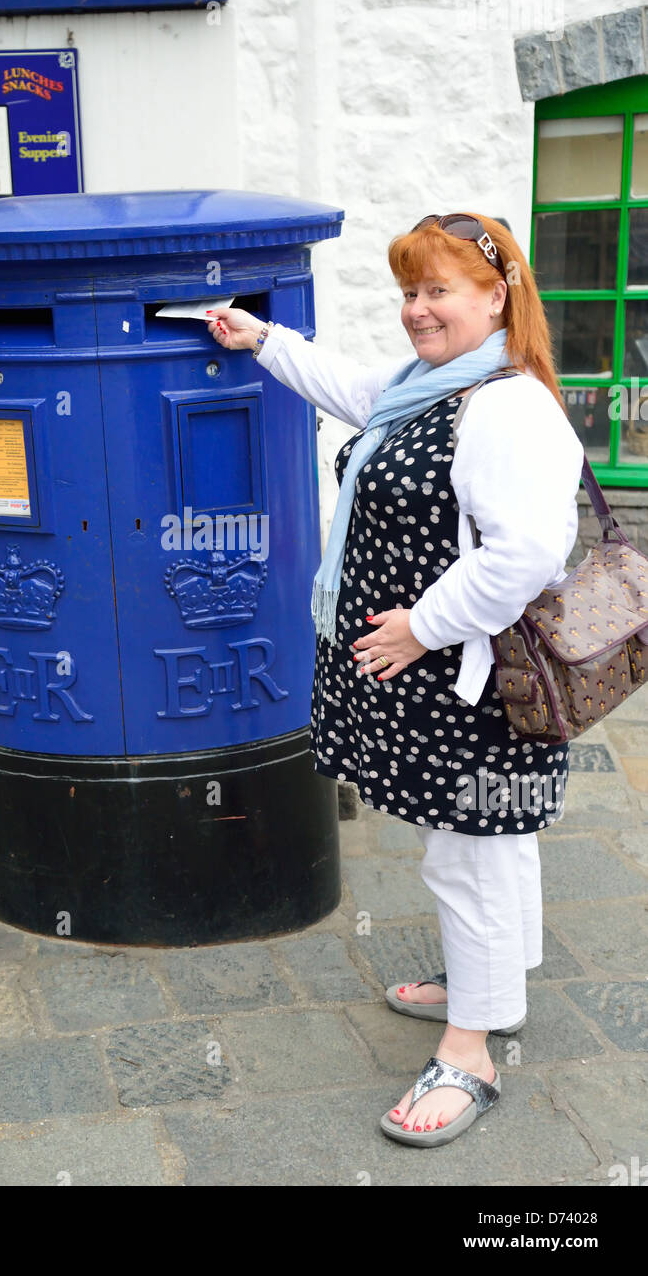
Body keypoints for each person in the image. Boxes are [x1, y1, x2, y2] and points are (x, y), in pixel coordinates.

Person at [203, 213, 585, 1148]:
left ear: (495, 296)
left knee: (473, 849)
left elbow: (530, 552)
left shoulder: (504, 403)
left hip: (477, 680)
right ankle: (490, 983)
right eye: (408, 291)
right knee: (485, 840)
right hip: (441, 675)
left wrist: (422, 626)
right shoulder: (429, 384)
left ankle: (471, 1053)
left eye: (437, 291)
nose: (416, 310)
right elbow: (349, 389)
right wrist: (263, 340)